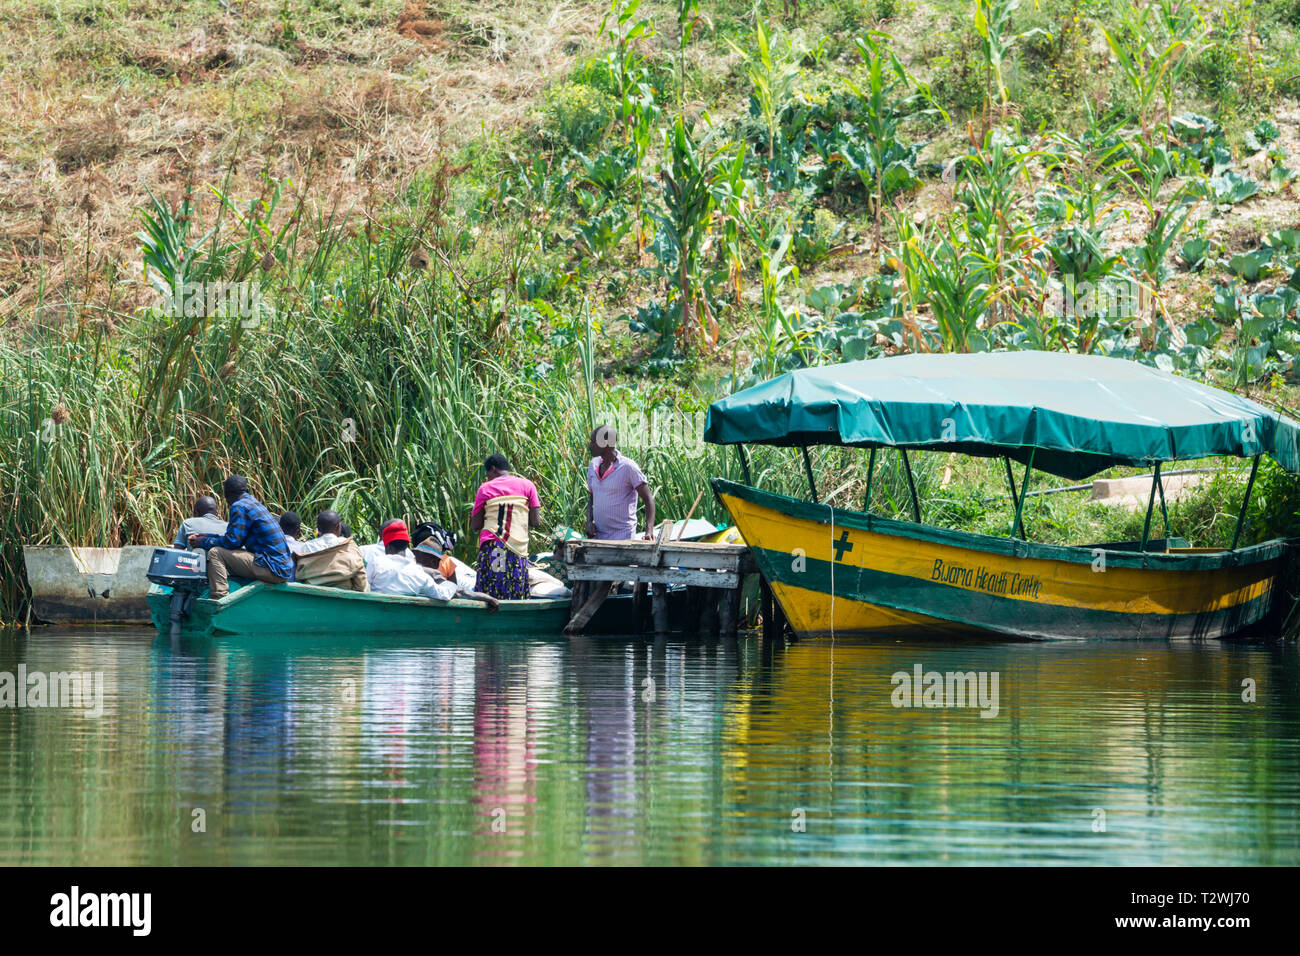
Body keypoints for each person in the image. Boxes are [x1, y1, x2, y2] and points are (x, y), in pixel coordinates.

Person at [189, 475, 294, 599]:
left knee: (215, 553)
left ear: (226, 496)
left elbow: (231, 542)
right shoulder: (254, 503)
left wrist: (203, 542)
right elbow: (235, 539)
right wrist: (207, 536)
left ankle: (219, 599)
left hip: (272, 569)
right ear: (247, 491)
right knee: (228, 552)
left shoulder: (238, 506)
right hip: (282, 569)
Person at [469, 454, 540, 600]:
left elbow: (476, 525)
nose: (487, 477)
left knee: (492, 588)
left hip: (494, 547)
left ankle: (490, 618)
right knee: (516, 588)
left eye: (487, 473)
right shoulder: (528, 485)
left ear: (493, 469)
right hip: (517, 550)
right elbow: (535, 522)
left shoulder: (485, 488)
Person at [585, 425, 655, 540]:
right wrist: (589, 522)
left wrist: (649, 531)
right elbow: (592, 497)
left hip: (623, 537)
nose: (590, 446)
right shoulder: (593, 465)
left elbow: (648, 499)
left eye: (593, 442)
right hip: (598, 536)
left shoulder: (628, 467)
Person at [367, 520, 459, 602]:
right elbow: (444, 594)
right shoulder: (418, 572)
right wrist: (451, 585)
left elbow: (364, 586)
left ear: (387, 546)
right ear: (407, 546)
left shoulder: (376, 563)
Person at [412, 539, 499, 610]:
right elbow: (461, 592)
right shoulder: (431, 573)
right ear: (434, 562)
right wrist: (489, 598)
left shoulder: (405, 569)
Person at [293, 509, 368, 591]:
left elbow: (299, 576)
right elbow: (360, 579)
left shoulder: (307, 546)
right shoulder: (348, 545)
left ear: (318, 528)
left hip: (312, 596)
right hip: (343, 598)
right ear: (338, 527)